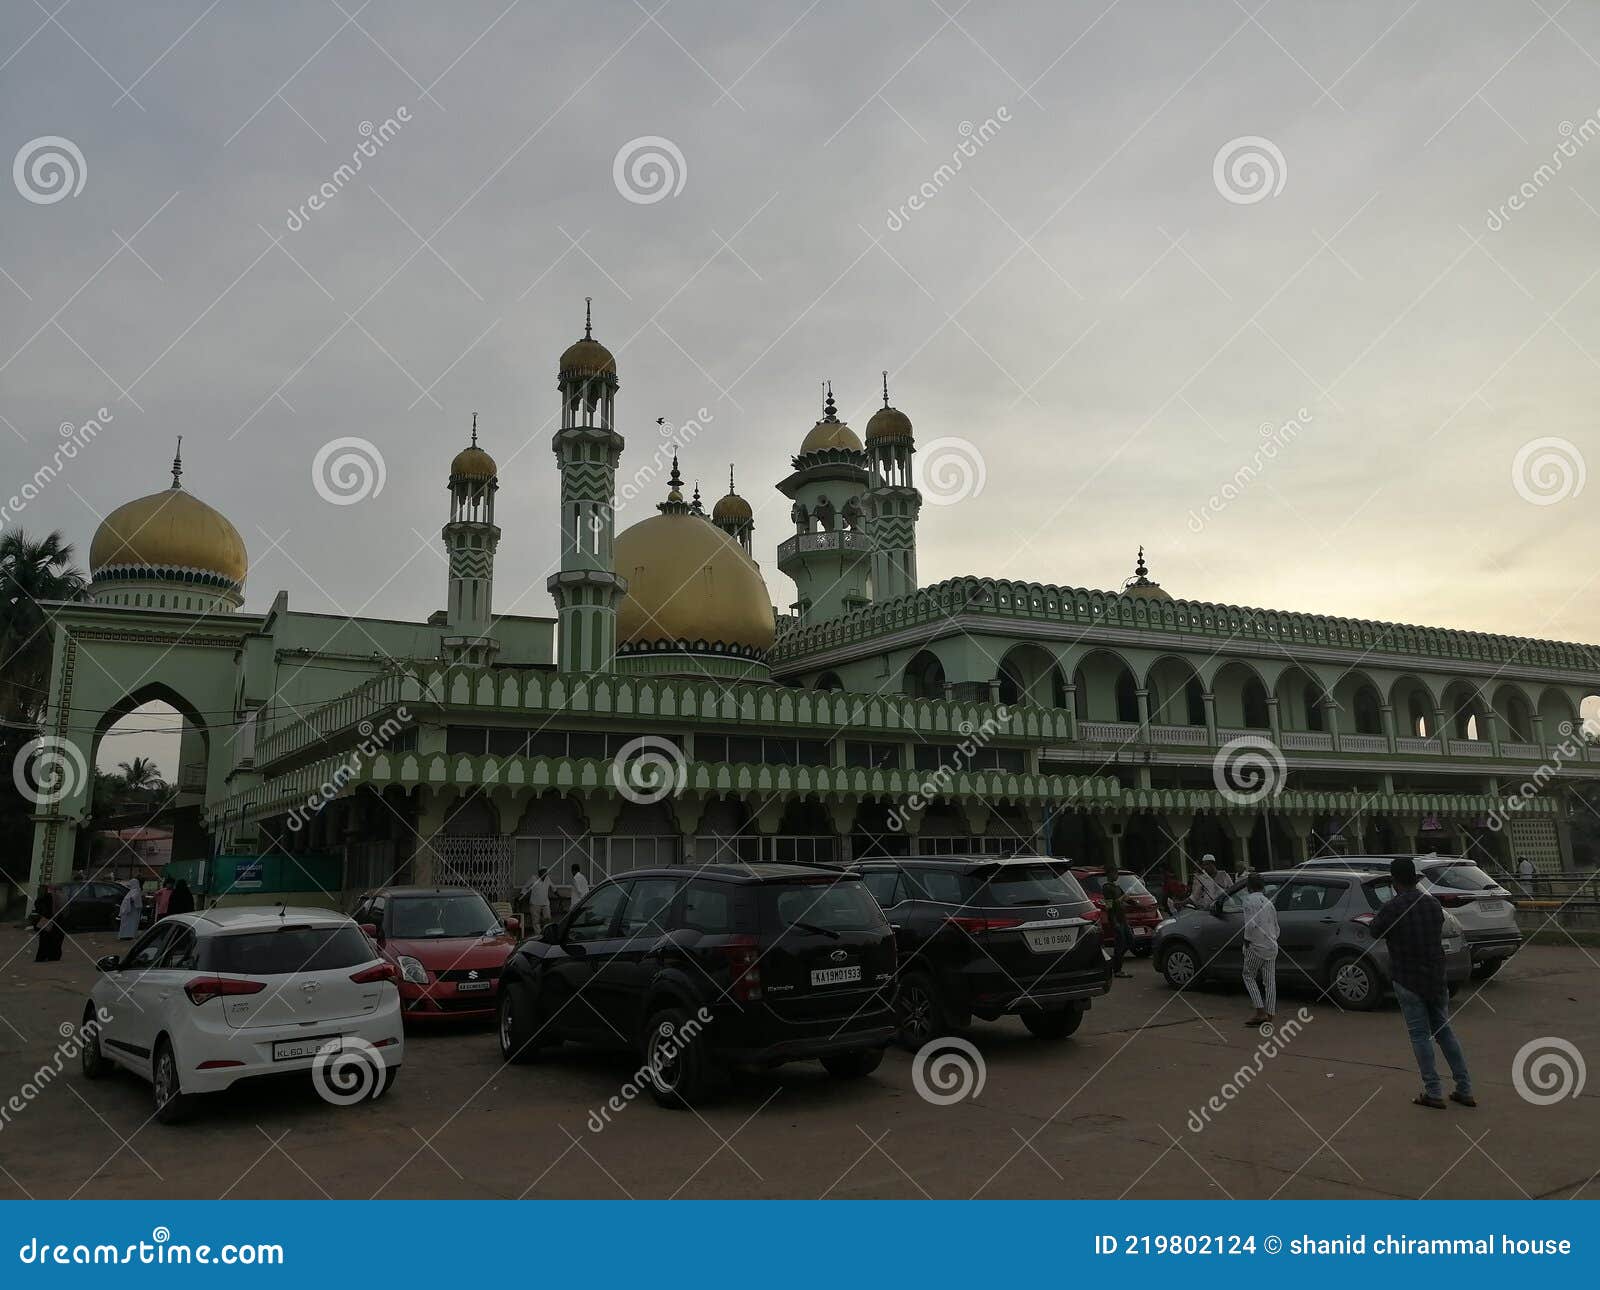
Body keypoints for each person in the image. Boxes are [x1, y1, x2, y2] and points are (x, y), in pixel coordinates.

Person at [1370, 857, 1474, 1110]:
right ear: (1415, 879)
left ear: (1394, 882)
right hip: (1436, 977)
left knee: (1419, 1035)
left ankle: (1433, 1091)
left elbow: (1375, 930)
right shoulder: (1431, 904)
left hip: (1407, 978)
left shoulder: (1392, 907)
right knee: (1444, 1032)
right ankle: (1464, 1088)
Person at [1240, 871, 1279, 1025]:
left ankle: (1260, 1011)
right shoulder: (1269, 902)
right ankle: (1270, 1014)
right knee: (1270, 981)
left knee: (1248, 975)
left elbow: (1250, 925)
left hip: (1256, 945)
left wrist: (1246, 941)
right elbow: (1276, 928)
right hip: (1272, 945)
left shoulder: (1248, 900)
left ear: (1248, 887)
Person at [1103, 870, 1134, 979]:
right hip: (1115, 919)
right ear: (1109, 874)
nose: (1117, 876)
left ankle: (1115, 962)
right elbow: (1109, 906)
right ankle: (1117, 969)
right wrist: (1114, 922)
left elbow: (1125, 898)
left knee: (1130, 941)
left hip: (1122, 918)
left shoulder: (1117, 887)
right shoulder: (1107, 888)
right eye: (1115, 873)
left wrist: (1133, 901)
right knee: (1120, 943)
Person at [32, 887, 64, 962]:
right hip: (56, 921)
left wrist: (42, 914)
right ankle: (53, 957)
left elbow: (38, 906)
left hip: (47, 920)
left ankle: (42, 958)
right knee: (56, 940)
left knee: (44, 940)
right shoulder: (60, 897)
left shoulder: (45, 897)